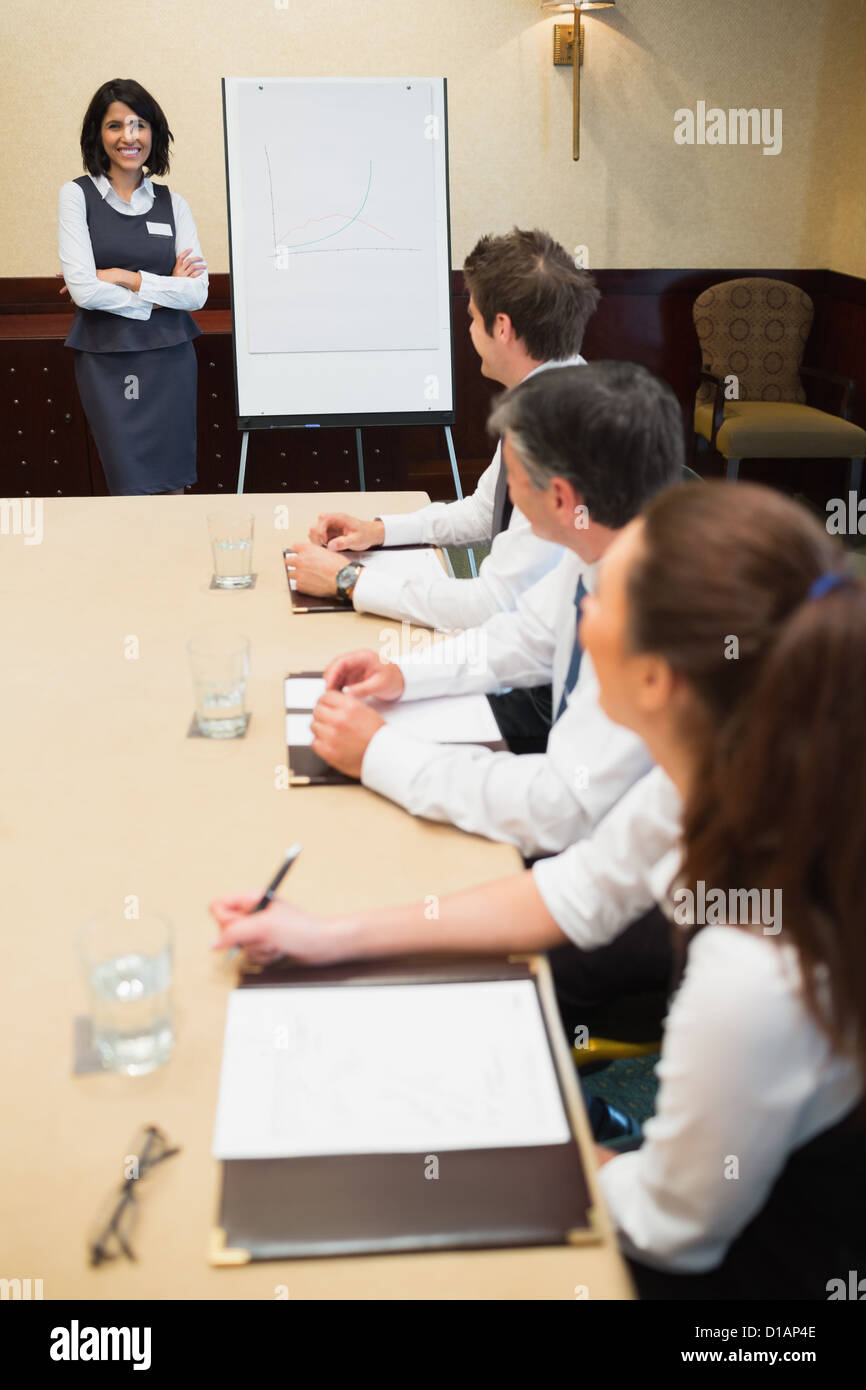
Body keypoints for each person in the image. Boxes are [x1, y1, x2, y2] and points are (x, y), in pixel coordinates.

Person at [211, 481, 866, 1298]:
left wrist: (514, 1141)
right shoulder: (720, 769)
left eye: (603, 609)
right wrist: (329, 936)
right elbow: (573, 894)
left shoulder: (755, 972)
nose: (579, 620)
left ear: (658, 682)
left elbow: (671, 1230)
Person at [305, 362, 683, 862]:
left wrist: (379, 752)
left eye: (515, 475)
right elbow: (524, 638)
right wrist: (400, 674)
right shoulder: (595, 547)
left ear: (560, 497)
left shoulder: (651, 622)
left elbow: (558, 806)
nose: (507, 491)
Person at [286, 227, 598, 640]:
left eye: (471, 317)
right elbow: (486, 512)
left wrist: (348, 581)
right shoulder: (554, 391)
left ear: (501, 327)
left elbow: (491, 606)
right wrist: (378, 531)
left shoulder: (560, 432)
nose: (468, 331)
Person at [58, 79, 207, 495]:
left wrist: (126, 277)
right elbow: (86, 292)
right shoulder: (76, 196)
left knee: (173, 479)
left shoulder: (173, 203)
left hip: (171, 358)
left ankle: (174, 559)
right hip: (108, 360)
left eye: (139, 124)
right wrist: (162, 295)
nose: (129, 136)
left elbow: (197, 293)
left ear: (153, 133)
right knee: (128, 482)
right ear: (97, 134)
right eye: (115, 125)